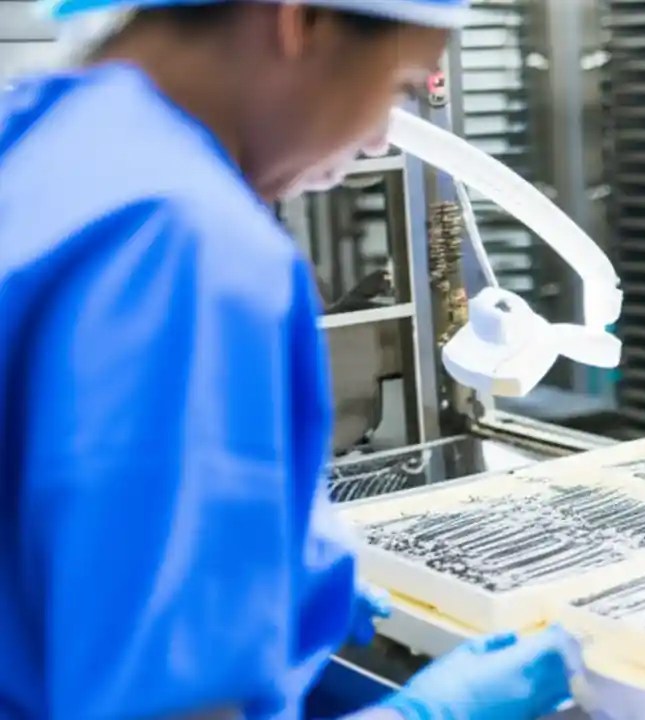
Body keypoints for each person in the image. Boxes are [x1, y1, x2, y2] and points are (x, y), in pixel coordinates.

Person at [0, 1, 577, 718]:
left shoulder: (37, 140)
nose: (374, 142)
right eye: (398, 87)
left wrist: (278, 573)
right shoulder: (183, 237)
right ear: (298, 21)